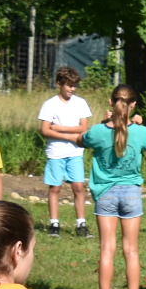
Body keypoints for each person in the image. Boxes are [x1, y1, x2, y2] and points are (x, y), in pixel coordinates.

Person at [81, 85, 146, 289]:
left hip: (105, 192)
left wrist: (102, 122)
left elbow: (82, 139)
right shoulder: (141, 131)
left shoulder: (99, 131)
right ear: (133, 105)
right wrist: (139, 125)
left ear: (111, 102)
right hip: (132, 193)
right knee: (131, 249)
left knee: (107, 248)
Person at [38, 67, 94, 239]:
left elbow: (84, 128)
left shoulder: (80, 103)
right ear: (59, 84)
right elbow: (45, 130)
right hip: (56, 153)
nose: (72, 89)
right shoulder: (50, 104)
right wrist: (71, 136)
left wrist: (60, 128)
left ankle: (81, 223)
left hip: (76, 152)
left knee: (78, 186)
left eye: (74, 86)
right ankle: (54, 223)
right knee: (55, 187)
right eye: (68, 86)